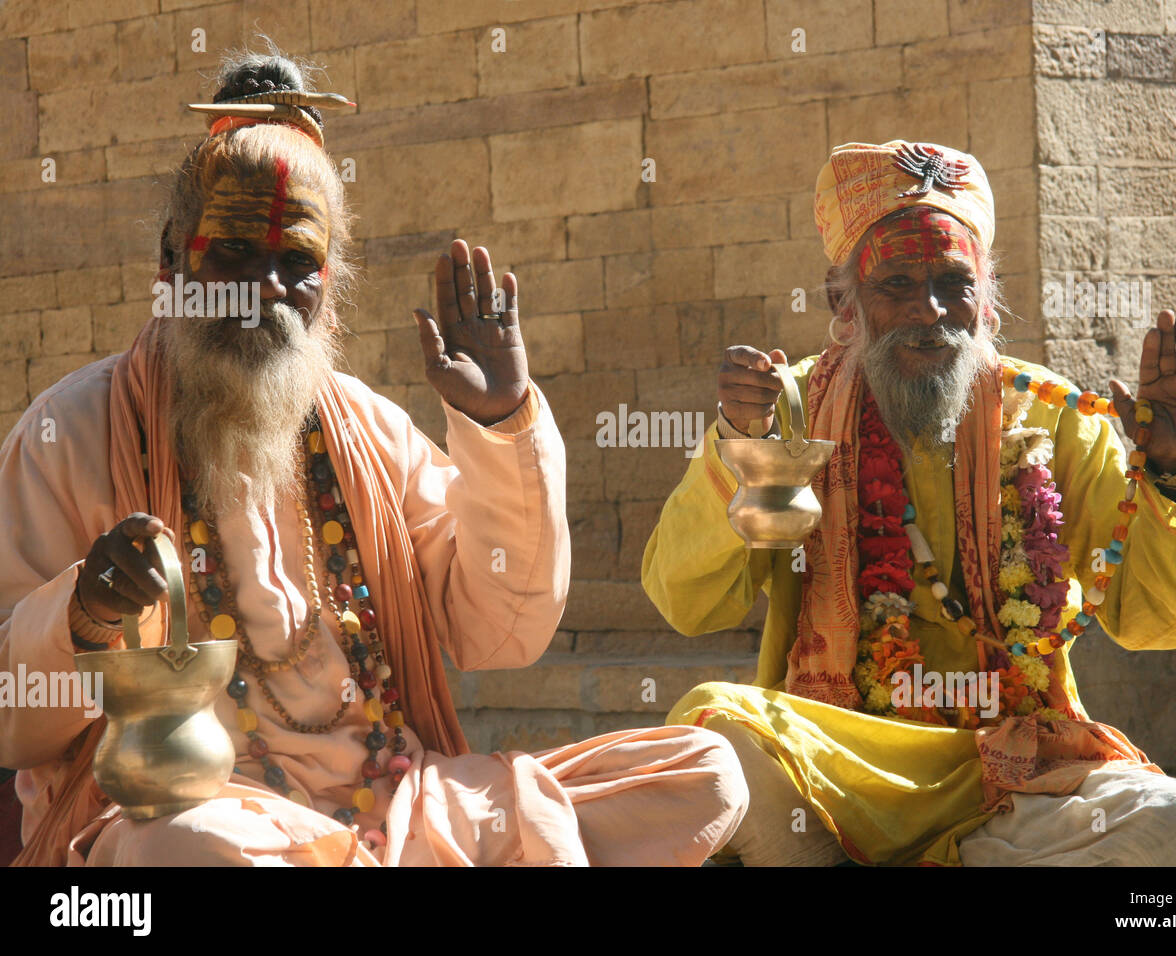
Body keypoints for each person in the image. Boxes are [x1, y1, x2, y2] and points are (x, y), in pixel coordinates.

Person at [0, 49, 746, 867]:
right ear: (174, 262)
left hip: (401, 802)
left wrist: (498, 425)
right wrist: (85, 615)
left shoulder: (368, 430)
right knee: (185, 849)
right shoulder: (72, 430)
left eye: (297, 262)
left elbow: (502, 633)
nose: (269, 288)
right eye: (238, 254)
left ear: (330, 278)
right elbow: (11, 714)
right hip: (211, 814)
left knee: (704, 774)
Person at [643, 140, 1176, 866]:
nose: (929, 310)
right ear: (844, 301)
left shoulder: (1055, 418)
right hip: (841, 762)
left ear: (985, 295)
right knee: (712, 735)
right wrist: (742, 445)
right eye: (896, 283)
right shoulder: (788, 409)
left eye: (953, 282)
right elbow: (686, 601)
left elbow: (1163, 620)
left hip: (1021, 769)